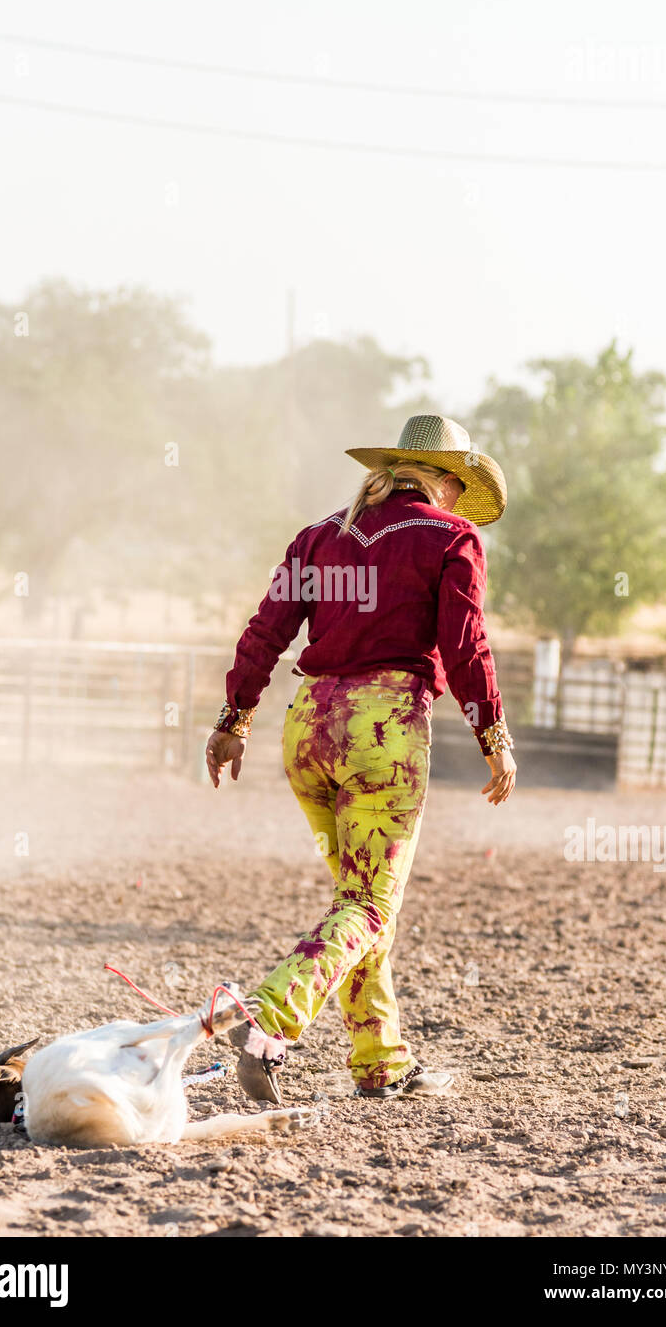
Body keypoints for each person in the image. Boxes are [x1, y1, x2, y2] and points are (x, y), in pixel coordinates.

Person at [205, 414, 516, 1103]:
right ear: (444, 479)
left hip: (308, 727)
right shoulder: (451, 537)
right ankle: (267, 1018)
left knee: (360, 902)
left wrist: (235, 719)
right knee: (370, 906)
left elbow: (266, 630)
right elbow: (464, 644)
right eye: (459, 485)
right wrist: (493, 734)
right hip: (384, 732)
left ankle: (382, 1061)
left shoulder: (320, 536)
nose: (461, 501)